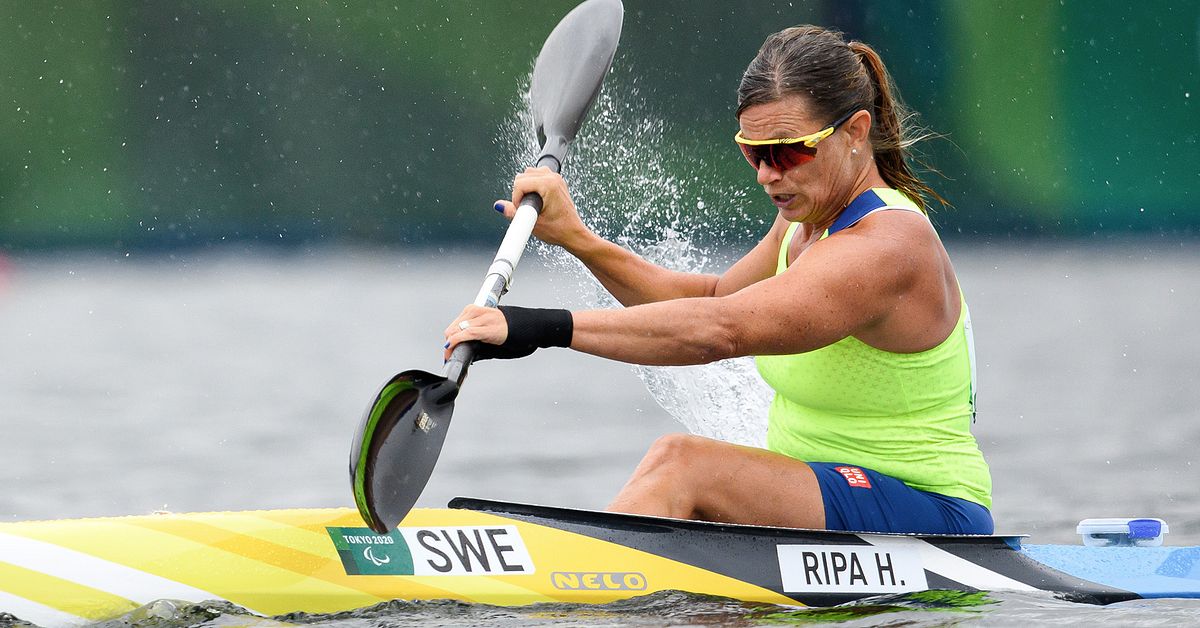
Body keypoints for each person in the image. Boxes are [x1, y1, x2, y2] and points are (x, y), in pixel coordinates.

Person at [443, 25, 992, 535]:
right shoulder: (801, 223)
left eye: (789, 151)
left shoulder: (887, 246)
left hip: (931, 515)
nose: (768, 175)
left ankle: (572, 590)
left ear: (855, 132)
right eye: (754, 152)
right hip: (829, 500)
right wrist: (580, 240)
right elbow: (715, 298)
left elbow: (720, 330)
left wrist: (534, 327)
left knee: (682, 464)